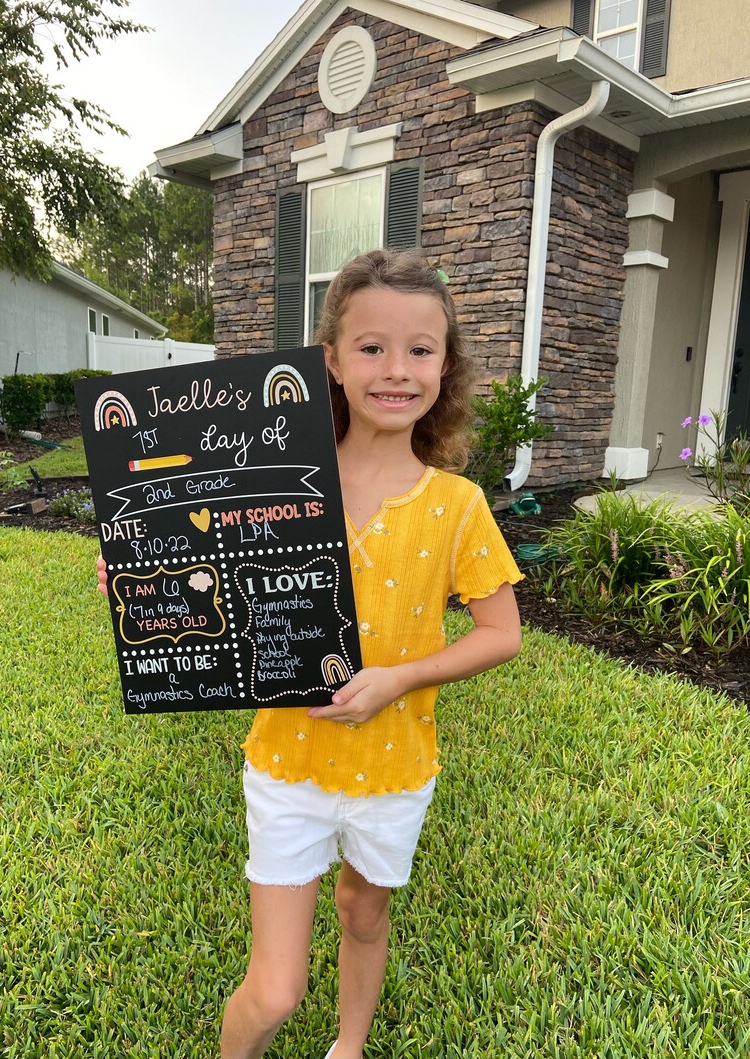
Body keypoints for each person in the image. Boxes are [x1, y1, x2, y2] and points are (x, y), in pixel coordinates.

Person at [98, 248, 523, 1059]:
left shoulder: (457, 506)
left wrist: (398, 677)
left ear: (446, 364)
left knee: (366, 910)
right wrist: (137, 571)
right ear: (330, 360)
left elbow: (502, 634)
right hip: (289, 764)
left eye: (420, 350)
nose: (396, 370)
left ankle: (349, 1046)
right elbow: (202, 585)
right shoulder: (272, 479)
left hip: (397, 767)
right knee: (274, 989)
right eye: (371, 347)